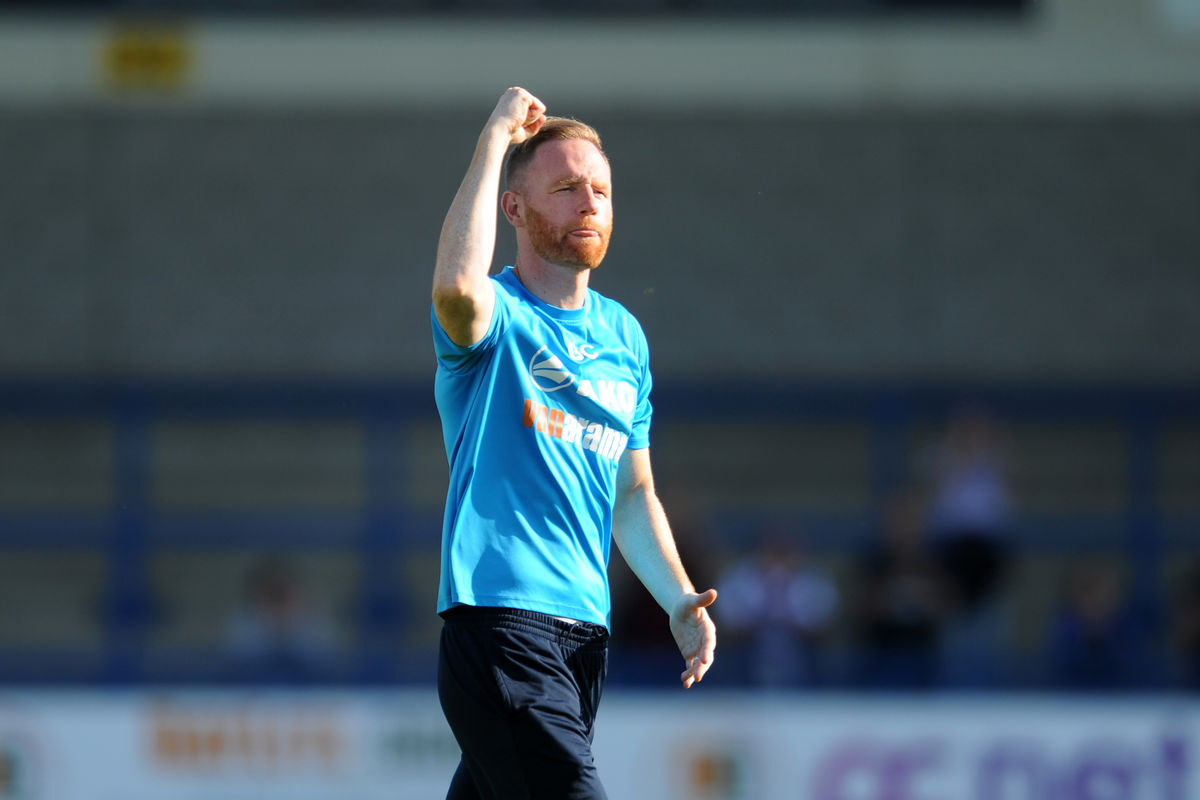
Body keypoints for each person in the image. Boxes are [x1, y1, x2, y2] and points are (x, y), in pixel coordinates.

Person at [430, 87, 718, 800]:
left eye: (601, 189)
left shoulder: (625, 336)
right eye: (564, 189)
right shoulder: (498, 317)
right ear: (515, 209)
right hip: (501, 627)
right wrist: (493, 141)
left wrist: (678, 598)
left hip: (584, 639)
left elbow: (632, 493)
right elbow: (456, 290)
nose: (589, 203)